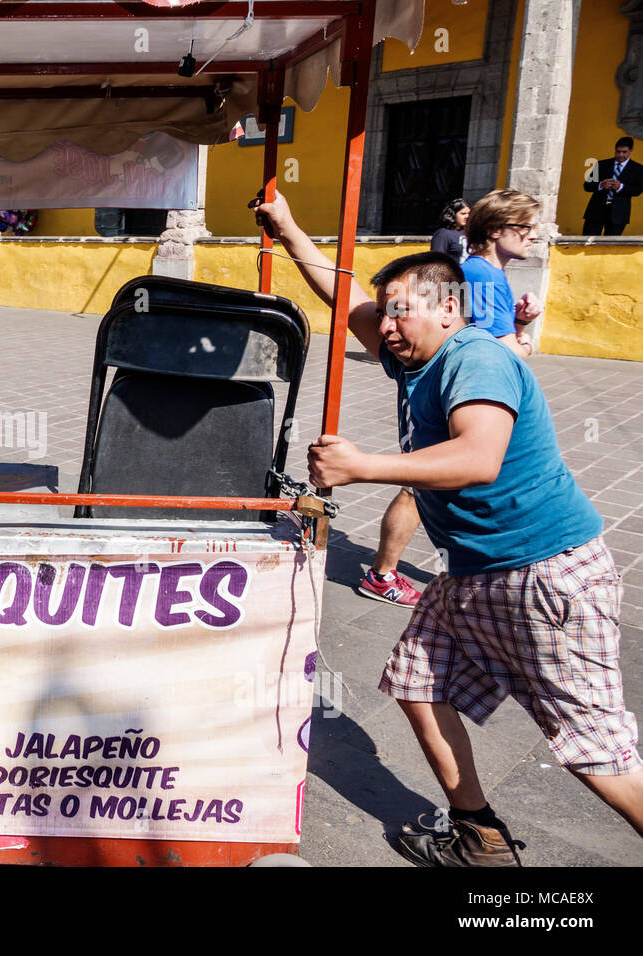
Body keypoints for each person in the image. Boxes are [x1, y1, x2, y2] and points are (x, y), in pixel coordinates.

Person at [254, 191, 642, 866]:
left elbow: (478, 457)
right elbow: (345, 300)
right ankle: (480, 836)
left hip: (544, 575)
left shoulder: (476, 360)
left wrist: (360, 466)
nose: (388, 327)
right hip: (476, 574)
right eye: (388, 313)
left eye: (401, 311)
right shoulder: (413, 353)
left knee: (595, 751)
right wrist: (289, 230)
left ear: (448, 308)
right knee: (416, 683)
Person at [461, 189, 542, 359]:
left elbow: (496, 338)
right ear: (494, 230)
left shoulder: (487, 271)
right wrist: (527, 347)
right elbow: (505, 354)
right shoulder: (484, 276)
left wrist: (521, 321)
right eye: (525, 227)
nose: (533, 236)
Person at [583, 136, 643, 236]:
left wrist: (621, 187)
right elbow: (587, 186)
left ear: (631, 151)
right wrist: (601, 185)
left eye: (624, 152)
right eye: (618, 151)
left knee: (610, 246)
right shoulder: (601, 164)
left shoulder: (638, 169)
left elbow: (637, 190)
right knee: (587, 241)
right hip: (596, 211)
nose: (620, 155)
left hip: (619, 213)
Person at [429, 199, 469, 264]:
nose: (467, 216)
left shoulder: (467, 232)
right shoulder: (443, 234)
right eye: (463, 213)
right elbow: (436, 260)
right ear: (453, 214)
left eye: (468, 214)